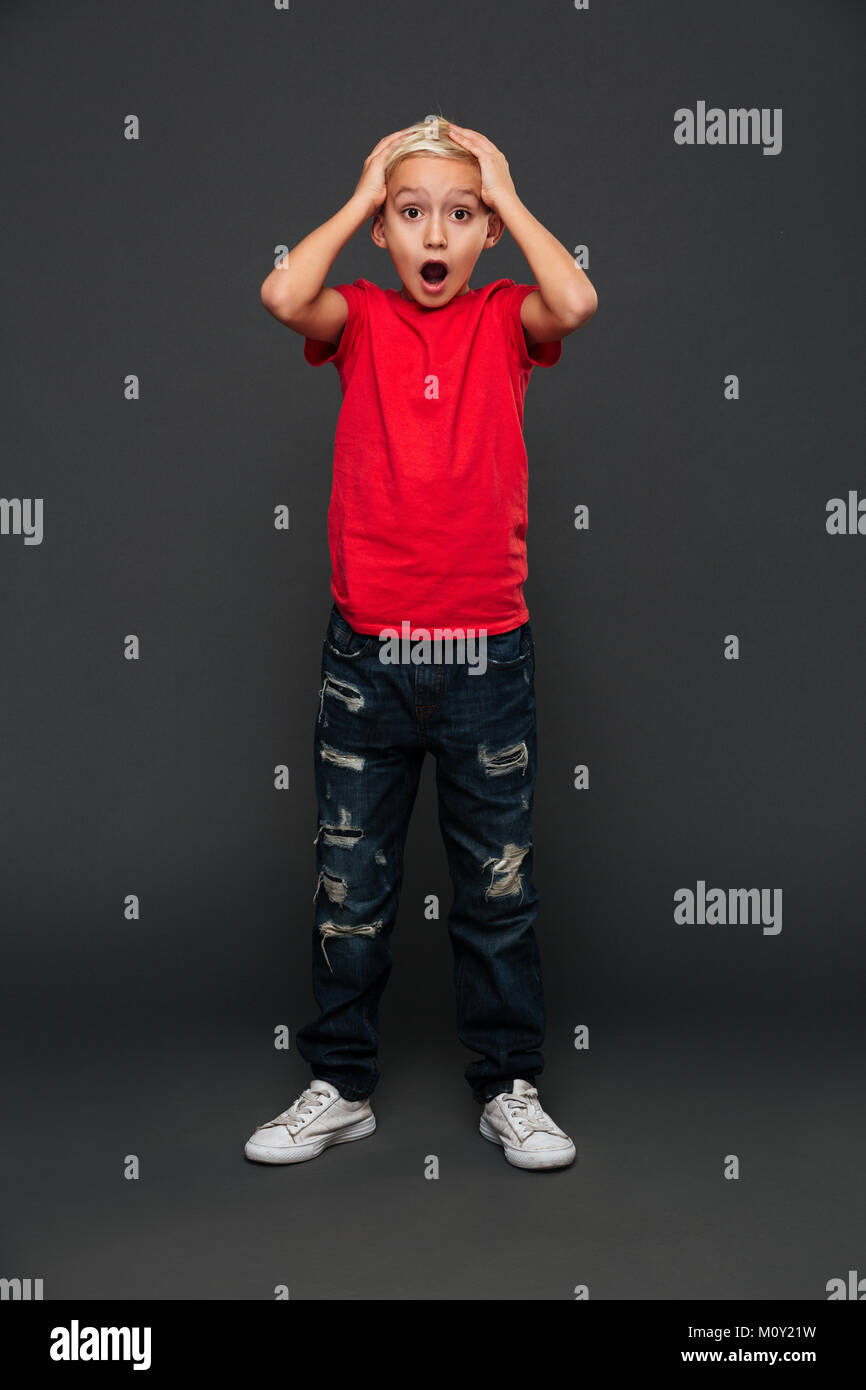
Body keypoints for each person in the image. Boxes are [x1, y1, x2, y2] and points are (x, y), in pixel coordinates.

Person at [246, 116, 598, 1171]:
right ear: (383, 235)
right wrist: (360, 188)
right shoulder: (356, 317)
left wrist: (507, 186)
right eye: (410, 214)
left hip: (485, 653)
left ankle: (508, 1084)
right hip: (369, 656)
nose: (432, 230)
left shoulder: (502, 318)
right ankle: (339, 1080)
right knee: (351, 881)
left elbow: (573, 298)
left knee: (495, 886)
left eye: (458, 212)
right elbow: (278, 294)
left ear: (486, 231)